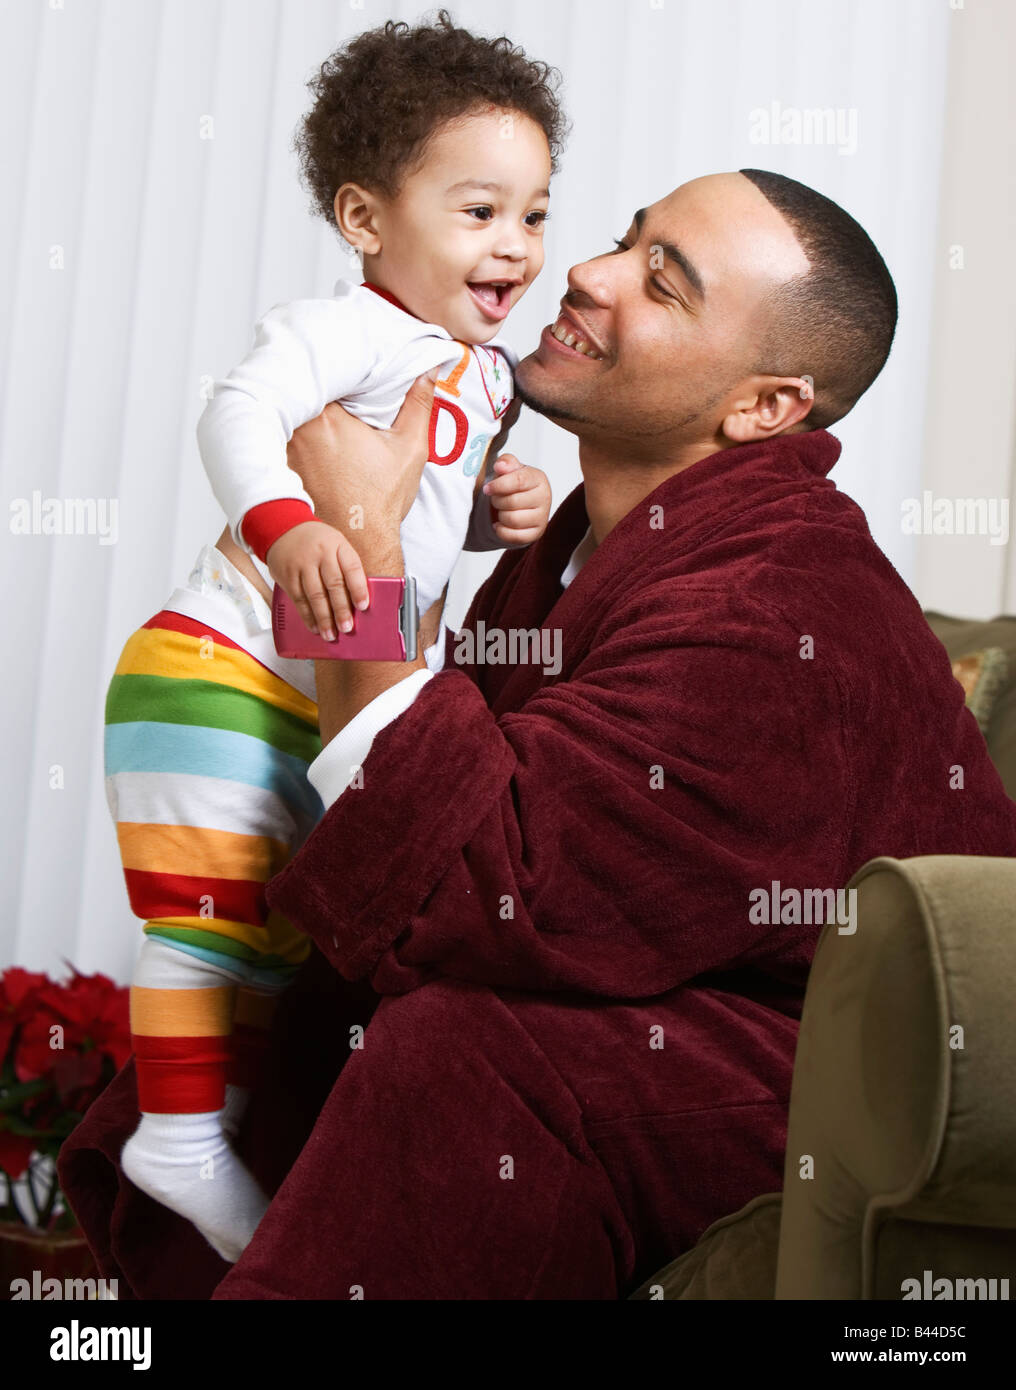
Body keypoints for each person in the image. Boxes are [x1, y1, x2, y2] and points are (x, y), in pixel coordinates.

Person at [61, 168, 1016, 1300]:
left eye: (658, 283)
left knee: (473, 1047)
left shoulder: (777, 603)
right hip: (650, 988)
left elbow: (483, 887)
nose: (585, 273)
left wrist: (360, 550)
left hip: (839, 1088)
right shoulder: (569, 547)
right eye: (622, 239)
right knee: (262, 1002)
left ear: (763, 407)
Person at [103, 10, 559, 1265]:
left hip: (311, 686)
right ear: (367, 221)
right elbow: (238, 408)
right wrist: (284, 518)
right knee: (202, 921)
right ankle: (179, 1143)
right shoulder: (347, 328)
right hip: (217, 663)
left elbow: (411, 519)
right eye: (478, 212)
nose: (513, 245)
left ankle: (214, 1119)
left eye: (533, 214)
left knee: (277, 932)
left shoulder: (482, 371)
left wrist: (492, 514)